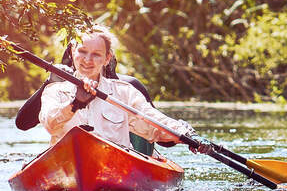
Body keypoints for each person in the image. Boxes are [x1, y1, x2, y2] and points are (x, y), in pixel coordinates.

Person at [37, 28, 194, 154]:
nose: (87, 59)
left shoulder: (124, 92)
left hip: (115, 165)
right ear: (72, 52)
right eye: (82, 51)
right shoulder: (55, 90)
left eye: (96, 54)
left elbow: (153, 123)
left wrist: (185, 134)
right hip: (67, 165)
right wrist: (75, 104)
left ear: (107, 59)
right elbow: (50, 124)